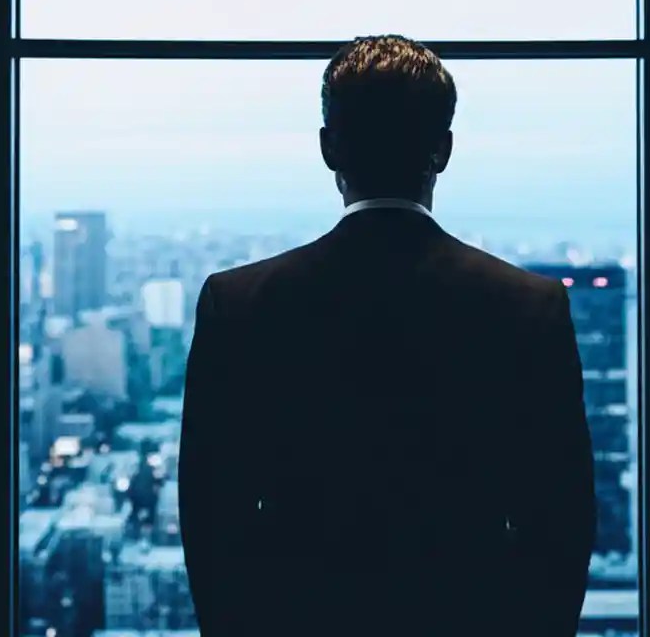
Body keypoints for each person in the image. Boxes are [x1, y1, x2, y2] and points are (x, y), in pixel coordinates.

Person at [178, 35, 595, 636]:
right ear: (443, 150)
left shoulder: (240, 305)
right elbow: (560, 521)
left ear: (328, 149)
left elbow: (212, 517)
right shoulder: (528, 307)